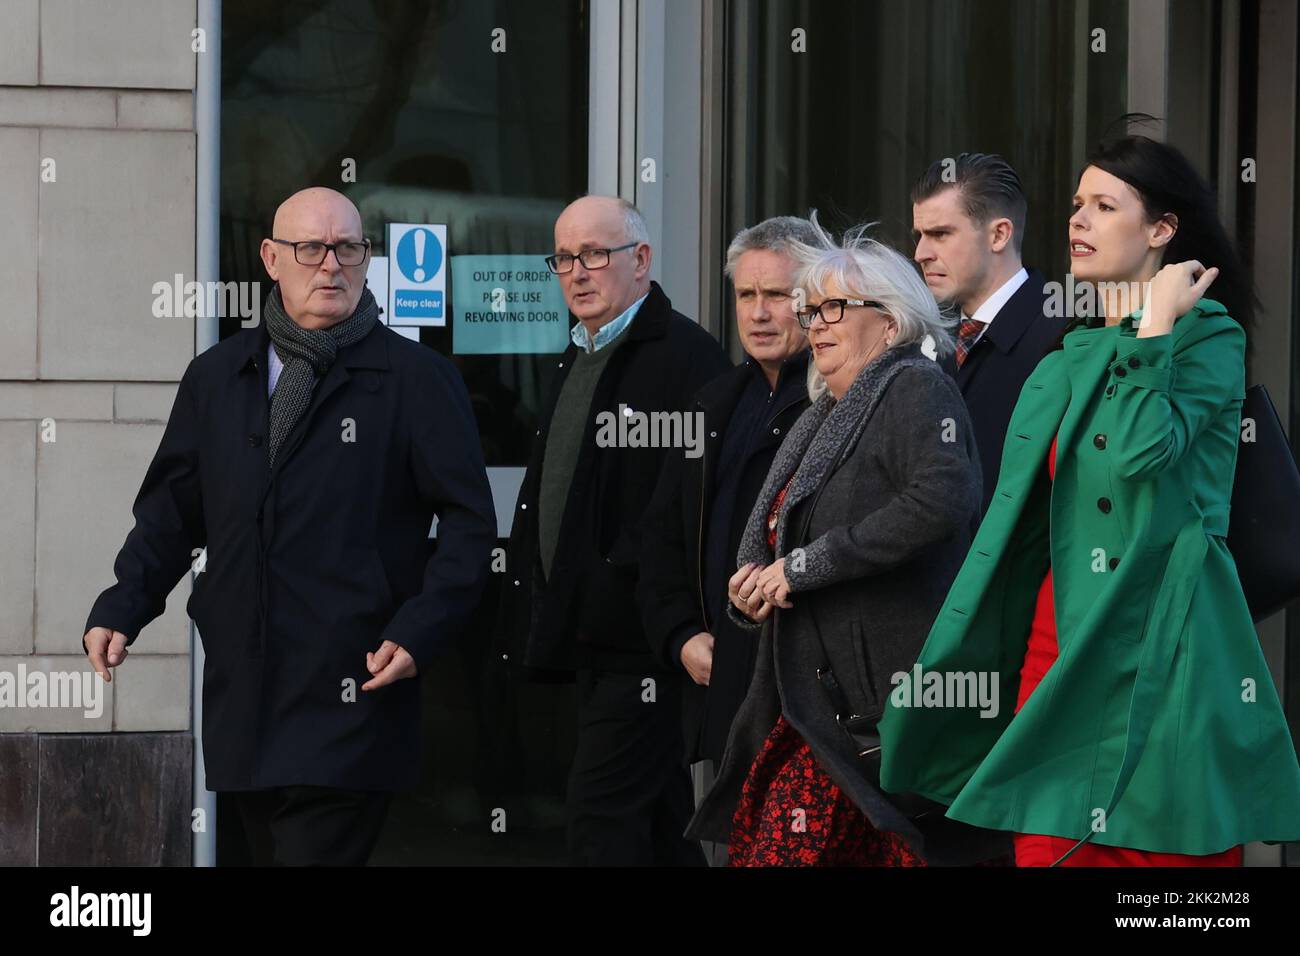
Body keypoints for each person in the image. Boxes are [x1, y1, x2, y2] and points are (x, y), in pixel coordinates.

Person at [879, 129, 1300, 865]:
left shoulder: (1209, 337)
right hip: (1058, 634)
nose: (1078, 220)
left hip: (1162, 643)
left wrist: (1156, 325)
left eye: (1105, 205)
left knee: (1157, 861)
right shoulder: (1070, 350)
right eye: (1077, 203)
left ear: (1162, 231)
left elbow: (1144, 456)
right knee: (1048, 844)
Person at [82, 187, 497, 865]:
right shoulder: (218, 377)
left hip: (354, 686)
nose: (331, 265)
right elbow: (171, 512)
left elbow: (469, 527)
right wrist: (123, 605)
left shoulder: (416, 379)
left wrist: (419, 631)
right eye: (311, 248)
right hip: (246, 695)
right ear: (272, 258)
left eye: (349, 248)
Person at [685, 215, 996, 866]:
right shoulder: (825, 413)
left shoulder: (914, 385)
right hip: (811, 709)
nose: (816, 322)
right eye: (812, 307)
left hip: (876, 711)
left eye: (833, 307)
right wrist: (753, 586)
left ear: (890, 320)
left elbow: (944, 499)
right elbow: (774, 538)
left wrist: (803, 567)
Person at [496, 195, 729, 865]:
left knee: (601, 819)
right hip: (587, 634)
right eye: (564, 257)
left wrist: (630, 584)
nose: (577, 272)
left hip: (643, 641)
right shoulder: (577, 351)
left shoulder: (686, 358)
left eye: (595, 254)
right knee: (656, 818)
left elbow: (691, 504)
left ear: (642, 260)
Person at [638, 216, 816, 862]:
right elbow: (659, 542)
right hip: (720, 691)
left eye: (778, 296)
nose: (760, 314)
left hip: (806, 700)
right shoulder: (712, 404)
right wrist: (681, 635)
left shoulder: (838, 401)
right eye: (747, 296)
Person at [912, 153, 1067, 514]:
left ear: (999, 234)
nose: (920, 252)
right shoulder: (921, 336)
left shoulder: (1066, 335)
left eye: (939, 234)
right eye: (919, 235)